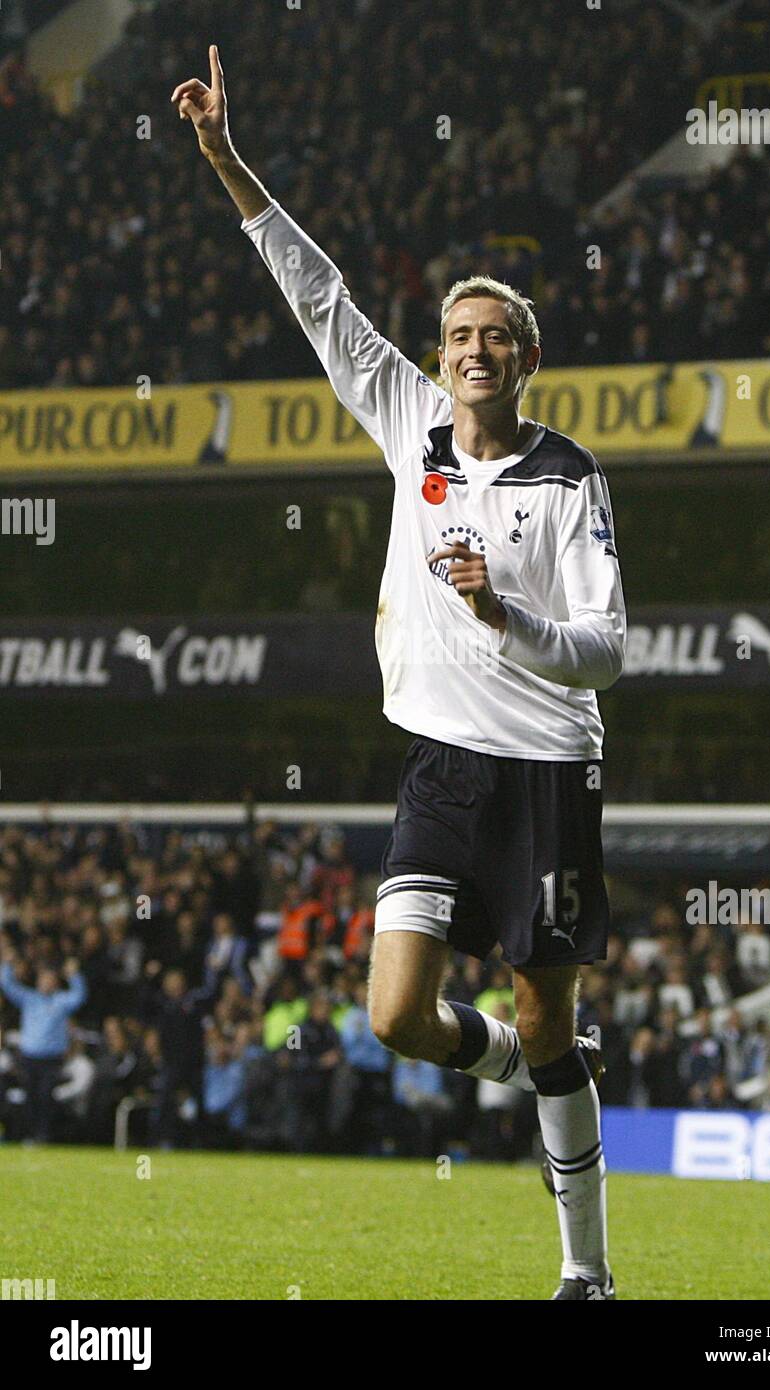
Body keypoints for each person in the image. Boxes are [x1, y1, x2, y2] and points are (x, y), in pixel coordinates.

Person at [173, 46, 625, 1300]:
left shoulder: (569, 476)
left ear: (524, 357)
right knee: (392, 1017)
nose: (474, 351)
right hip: (439, 767)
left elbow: (607, 647)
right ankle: (539, 1067)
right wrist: (225, 159)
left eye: (496, 336)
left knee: (545, 1020)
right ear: (440, 352)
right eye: (458, 335)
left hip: (547, 764)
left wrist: (505, 619)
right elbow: (318, 297)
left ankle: (583, 1270)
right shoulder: (406, 428)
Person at [0, 950, 87, 1142]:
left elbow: (79, 997)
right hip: (30, 1056)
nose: (46, 983)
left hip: (51, 1058)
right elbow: (7, 985)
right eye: (44, 979)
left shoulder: (61, 1001)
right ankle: (30, 1134)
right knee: (30, 1096)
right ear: (39, 981)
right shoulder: (29, 999)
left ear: (55, 982)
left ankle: (44, 1134)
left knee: (45, 1095)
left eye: (50, 979)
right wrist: (7, 965)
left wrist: (73, 975)